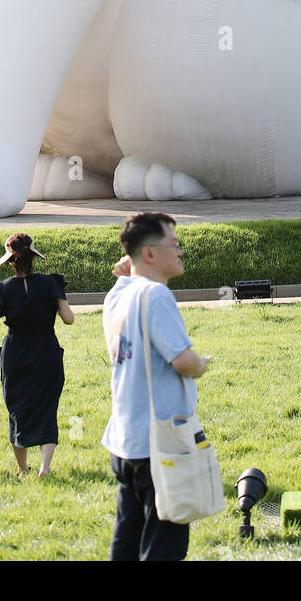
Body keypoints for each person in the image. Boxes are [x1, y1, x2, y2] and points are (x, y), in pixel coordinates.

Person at [102, 212, 212, 562]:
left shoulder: (117, 297)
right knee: (165, 542)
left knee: (128, 539)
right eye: (174, 244)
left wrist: (131, 258)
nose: (180, 252)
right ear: (150, 253)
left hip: (125, 441)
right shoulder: (156, 296)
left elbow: (124, 272)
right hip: (161, 442)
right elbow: (183, 360)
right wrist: (201, 364)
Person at [0, 233, 74, 478]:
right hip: (46, 351)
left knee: (17, 409)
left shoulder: (2, 289)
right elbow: (69, 319)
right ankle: (45, 467)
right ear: (34, 257)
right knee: (47, 407)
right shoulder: (51, 283)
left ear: (11, 261)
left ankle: (23, 469)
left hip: (16, 354)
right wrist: (53, 302)